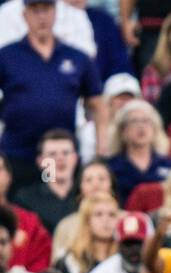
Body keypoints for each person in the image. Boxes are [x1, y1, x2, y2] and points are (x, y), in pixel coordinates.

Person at [0, 0, 105, 190]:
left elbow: (97, 104)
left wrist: (101, 149)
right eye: (35, 10)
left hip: (58, 155)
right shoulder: (7, 56)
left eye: (46, 9)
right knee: (18, 206)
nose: (41, 16)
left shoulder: (76, 57)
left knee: (51, 200)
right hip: (18, 152)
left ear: (56, 13)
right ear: (24, 15)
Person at [106, 100, 171, 207]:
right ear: (123, 130)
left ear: (155, 128)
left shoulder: (170, 165)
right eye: (134, 121)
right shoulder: (110, 167)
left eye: (146, 121)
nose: (141, 126)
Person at [13, 130, 81, 234]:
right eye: (52, 154)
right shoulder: (25, 199)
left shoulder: (86, 195)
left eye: (66, 153)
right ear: (40, 162)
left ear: (76, 158)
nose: (60, 158)